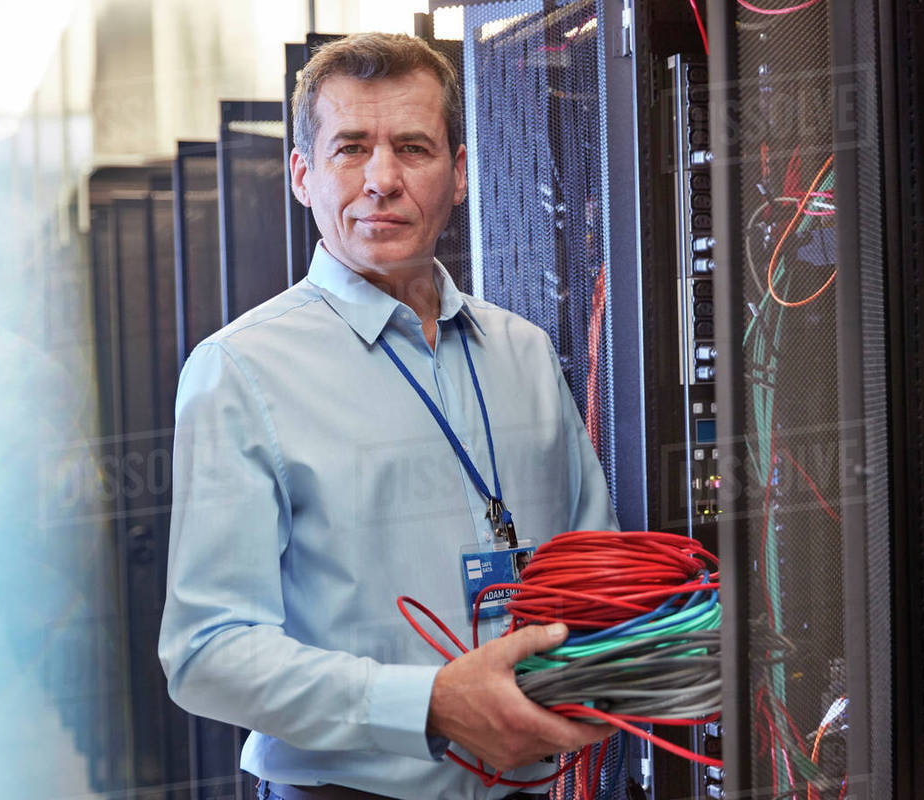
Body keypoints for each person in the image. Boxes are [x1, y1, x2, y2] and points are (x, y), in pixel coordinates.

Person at [158, 32, 619, 800]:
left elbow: (594, 571)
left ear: (461, 173)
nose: (382, 180)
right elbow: (208, 652)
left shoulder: (525, 354)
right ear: (303, 176)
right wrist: (429, 704)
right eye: (350, 149)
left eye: (413, 147)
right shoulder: (242, 371)